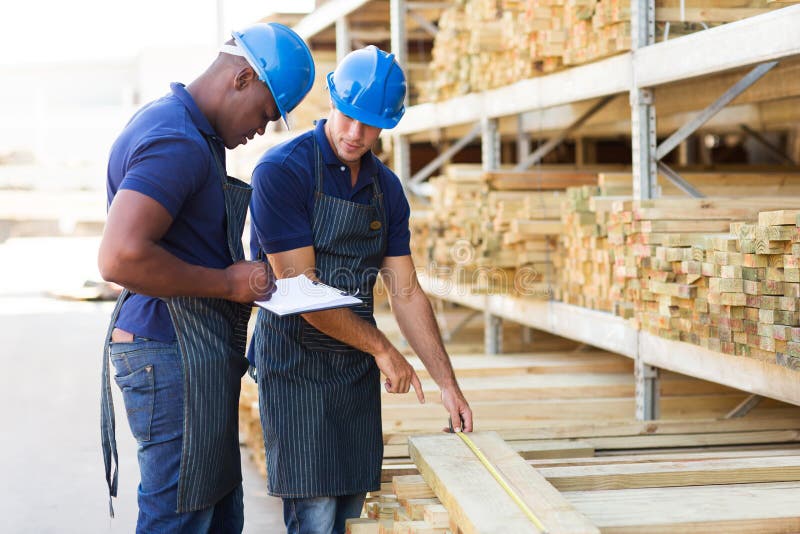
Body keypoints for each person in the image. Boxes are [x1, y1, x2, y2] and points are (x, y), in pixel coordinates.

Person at [98, 23, 314, 533]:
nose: (262, 130)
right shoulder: (176, 140)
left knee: (214, 513)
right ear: (242, 78)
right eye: (265, 113)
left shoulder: (188, 131)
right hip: (169, 352)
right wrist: (229, 284)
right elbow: (119, 258)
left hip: (187, 353)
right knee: (182, 517)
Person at [248, 46, 474, 534]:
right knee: (317, 514)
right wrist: (384, 349)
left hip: (352, 369)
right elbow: (300, 293)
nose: (356, 134)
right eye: (349, 117)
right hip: (295, 365)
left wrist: (447, 384)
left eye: (370, 124)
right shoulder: (282, 172)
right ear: (332, 101)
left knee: (353, 515)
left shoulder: (386, 189)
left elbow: (407, 292)